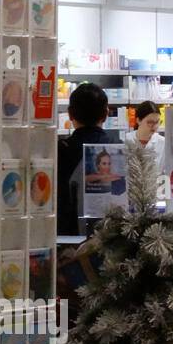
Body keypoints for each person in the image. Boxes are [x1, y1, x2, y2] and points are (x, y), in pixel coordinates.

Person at [57, 83, 121, 235]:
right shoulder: (119, 149)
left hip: (68, 242)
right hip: (112, 242)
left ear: (70, 114)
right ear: (106, 114)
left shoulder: (61, 151)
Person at [132, 100, 167, 177]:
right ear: (138, 121)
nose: (154, 126)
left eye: (157, 122)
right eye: (150, 122)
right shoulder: (128, 140)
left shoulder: (163, 143)